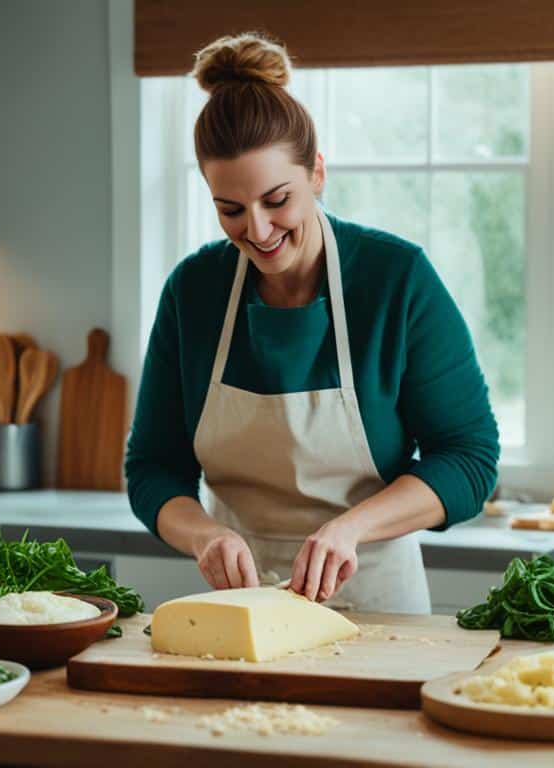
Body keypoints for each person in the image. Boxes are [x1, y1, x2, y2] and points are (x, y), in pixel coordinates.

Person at [124, 32, 499, 614]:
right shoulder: (192, 292)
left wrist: (350, 528)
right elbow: (153, 467)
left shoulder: (396, 280)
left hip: (377, 598)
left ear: (317, 172)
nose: (258, 230)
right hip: (241, 605)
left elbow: (470, 458)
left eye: (277, 200)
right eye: (230, 209)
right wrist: (205, 536)